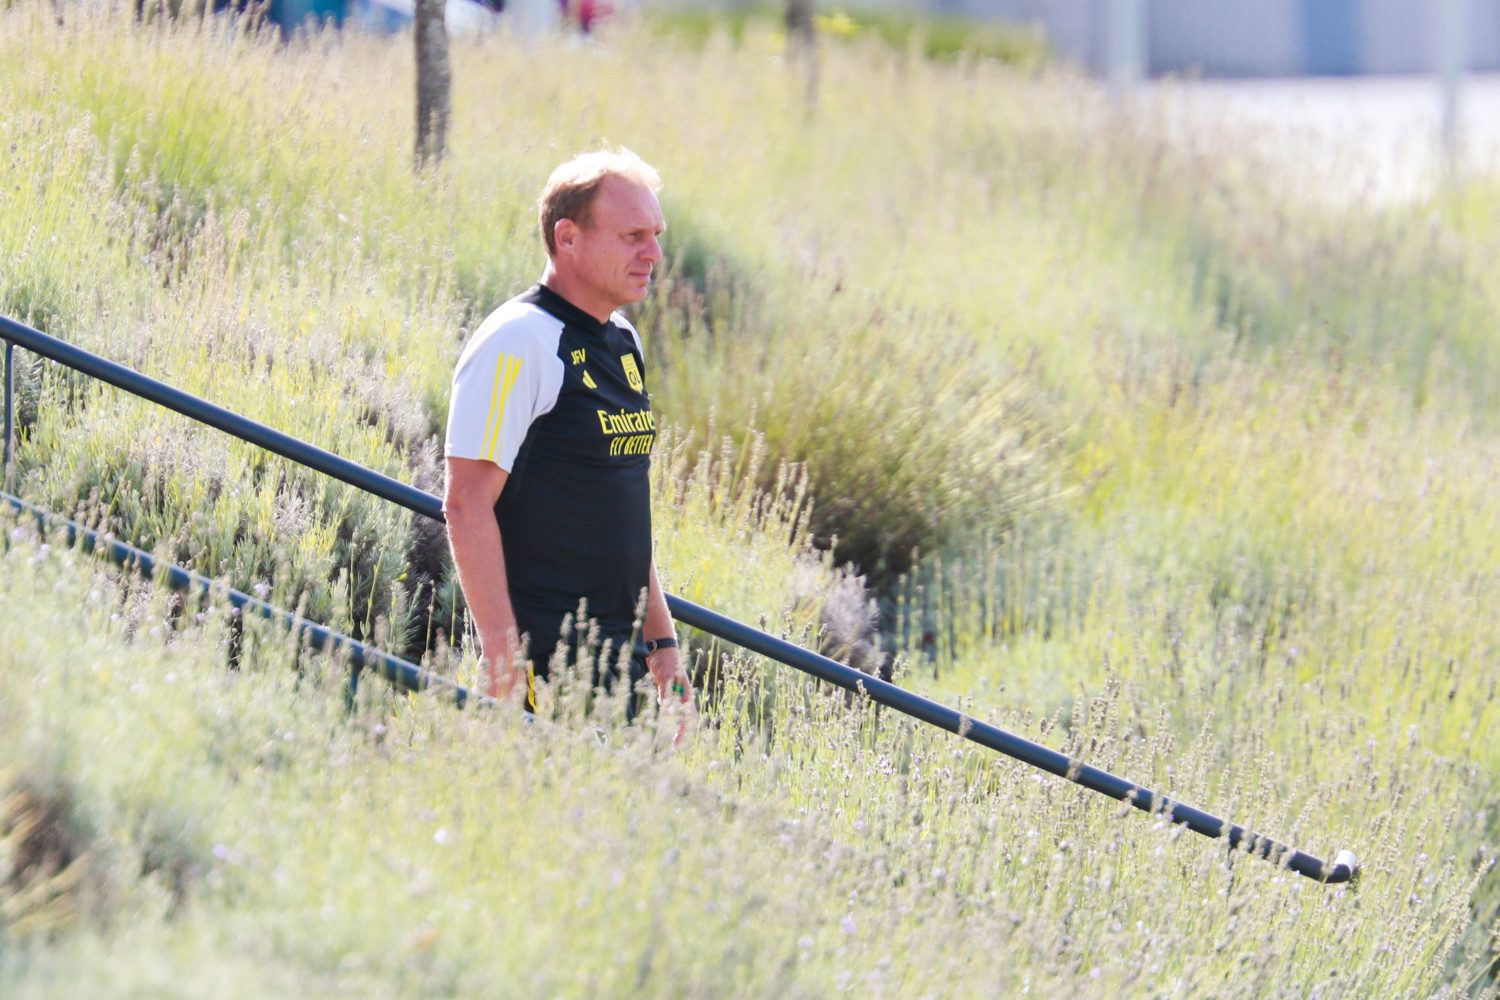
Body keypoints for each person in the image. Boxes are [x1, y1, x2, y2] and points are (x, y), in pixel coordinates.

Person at [442, 149, 692, 730]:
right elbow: (465, 503)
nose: (652, 253)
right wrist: (504, 665)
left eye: (655, 235)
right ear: (569, 237)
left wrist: (664, 649)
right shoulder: (517, 340)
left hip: (618, 665)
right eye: (632, 235)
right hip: (543, 667)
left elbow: (619, 508)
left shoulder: (623, 341)